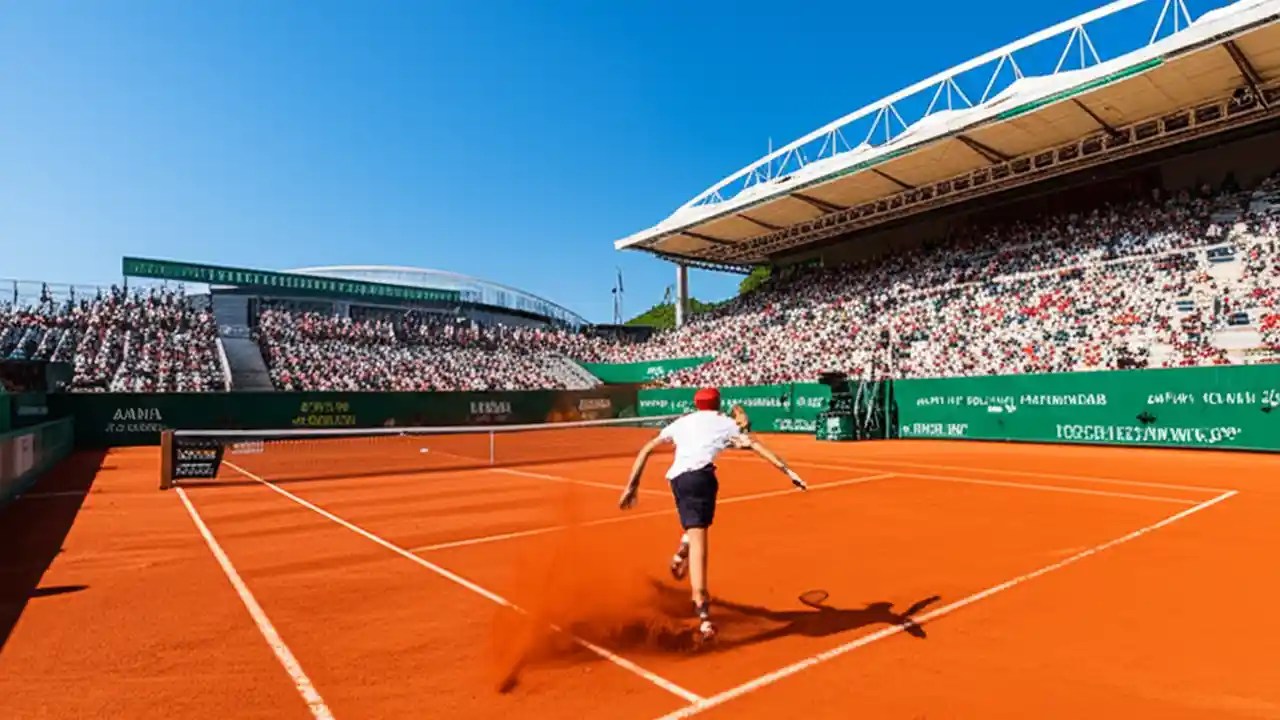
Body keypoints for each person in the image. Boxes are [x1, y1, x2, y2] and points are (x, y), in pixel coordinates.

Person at [618, 387, 806, 641]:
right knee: (700, 544)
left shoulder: (682, 422)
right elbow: (755, 446)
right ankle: (703, 613)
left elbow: (647, 449)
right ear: (719, 403)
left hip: (678, 481)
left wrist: (632, 486)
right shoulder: (725, 423)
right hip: (701, 479)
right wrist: (788, 472)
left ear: (696, 404)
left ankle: (684, 545)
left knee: (697, 527)